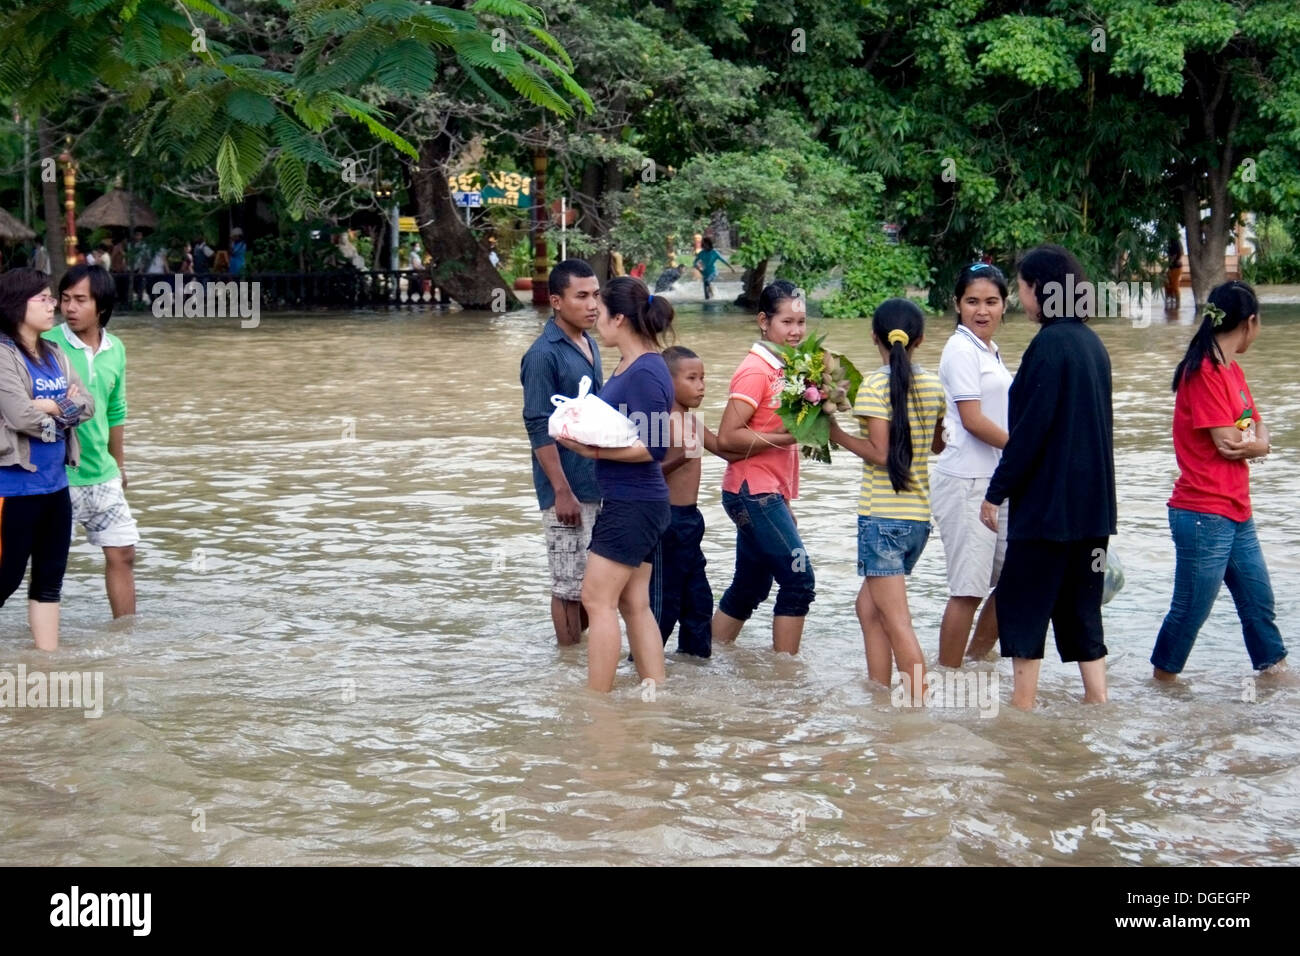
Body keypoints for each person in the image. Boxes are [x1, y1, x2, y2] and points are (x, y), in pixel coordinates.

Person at [979, 244, 1116, 710]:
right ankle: (1099, 703)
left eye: (1021, 288)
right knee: (1083, 610)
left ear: (1039, 288)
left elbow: (1030, 433)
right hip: (1094, 512)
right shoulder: (1093, 344)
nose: (1020, 299)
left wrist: (996, 493)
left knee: (1024, 606)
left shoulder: (1048, 346)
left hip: (1048, 512)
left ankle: (1021, 715)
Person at [1151, 281, 1287, 681]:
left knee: (1259, 605)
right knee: (1190, 612)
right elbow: (1230, 441)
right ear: (1250, 322)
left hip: (1235, 508)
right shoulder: (1204, 373)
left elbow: (1254, 425)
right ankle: (1160, 686)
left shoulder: (1232, 370)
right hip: (1202, 513)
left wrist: (1256, 442)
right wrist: (1259, 446)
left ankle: (1278, 683)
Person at [556, 277, 675, 692]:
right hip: (633, 500)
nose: (594, 320)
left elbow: (656, 448)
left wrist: (594, 454)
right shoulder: (629, 365)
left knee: (596, 599)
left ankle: (598, 703)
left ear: (620, 318)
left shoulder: (647, 370)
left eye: (601, 313)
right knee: (632, 602)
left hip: (634, 502)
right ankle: (653, 690)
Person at [829, 299, 944, 700]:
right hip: (917, 520)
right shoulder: (933, 385)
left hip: (883, 519)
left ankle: (918, 707)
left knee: (897, 621)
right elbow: (938, 444)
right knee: (869, 609)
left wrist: (837, 433)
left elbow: (880, 453)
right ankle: (879, 695)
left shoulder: (874, 387)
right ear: (921, 339)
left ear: (873, 337)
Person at [711, 280, 815, 654]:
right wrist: (794, 435)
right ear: (763, 321)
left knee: (751, 585)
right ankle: (786, 680)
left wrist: (786, 501)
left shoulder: (789, 367)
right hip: (751, 493)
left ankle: (706, 656)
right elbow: (727, 438)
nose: (796, 330)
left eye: (801, 321)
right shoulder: (757, 371)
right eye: (787, 322)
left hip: (766, 493)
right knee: (799, 579)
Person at [0, 268, 94, 651]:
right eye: (43, 298)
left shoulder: (54, 352)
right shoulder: (3, 354)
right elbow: (20, 415)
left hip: (55, 485)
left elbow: (87, 404)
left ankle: (47, 664)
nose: (53, 304)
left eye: (50, 297)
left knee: (50, 579)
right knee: (4, 579)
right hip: (13, 487)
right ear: (15, 304)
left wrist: (52, 406)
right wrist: (60, 410)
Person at [931, 264, 1013, 667]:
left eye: (991, 301)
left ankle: (977, 662)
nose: (982, 310)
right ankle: (947, 677)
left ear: (1005, 304)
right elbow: (973, 419)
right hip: (966, 482)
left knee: (1014, 579)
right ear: (958, 305)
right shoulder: (961, 349)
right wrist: (1027, 449)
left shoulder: (990, 351)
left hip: (996, 480)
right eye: (973, 301)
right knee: (968, 588)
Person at [45, 265, 138, 618]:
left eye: (80, 300)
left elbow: (116, 411)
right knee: (46, 567)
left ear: (101, 305)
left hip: (102, 473)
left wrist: (119, 465)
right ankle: (43, 646)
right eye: (65, 299)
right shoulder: (47, 344)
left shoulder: (116, 349)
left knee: (123, 552)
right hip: (56, 475)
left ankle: (125, 639)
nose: (70, 307)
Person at [520, 259, 604, 647]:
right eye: (581, 296)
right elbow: (538, 424)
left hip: (597, 479)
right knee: (568, 583)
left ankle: (580, 654)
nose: (592, 305)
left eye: (596, 296)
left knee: (594, 581)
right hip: (565, 487)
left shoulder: (589, 343)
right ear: (556, 301)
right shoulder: (542, 354)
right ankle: (567, 660)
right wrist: (561, 490)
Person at [648, 346, 738, 657]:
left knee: (699, 601)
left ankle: (695, 673)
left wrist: (781, 432)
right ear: (668, 382)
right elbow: (644, 474)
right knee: (662, 605)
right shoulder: (660, 421)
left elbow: (727, 449)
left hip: (691, 520)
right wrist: (680, 457)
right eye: (692, 378)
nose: (701, 385)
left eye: (703, 378)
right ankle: (642, 672)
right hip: (667, 522)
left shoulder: (693, 421)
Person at [1164, 235, 1183, 310]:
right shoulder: (1171, 243)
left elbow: (1175, 255)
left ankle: (1177, 303)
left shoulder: (1174, 242)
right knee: (1168, 284)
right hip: (1172, 267)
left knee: (1175, 286)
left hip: (1175, 267)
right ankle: (1171, 301)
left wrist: (1169, 263)